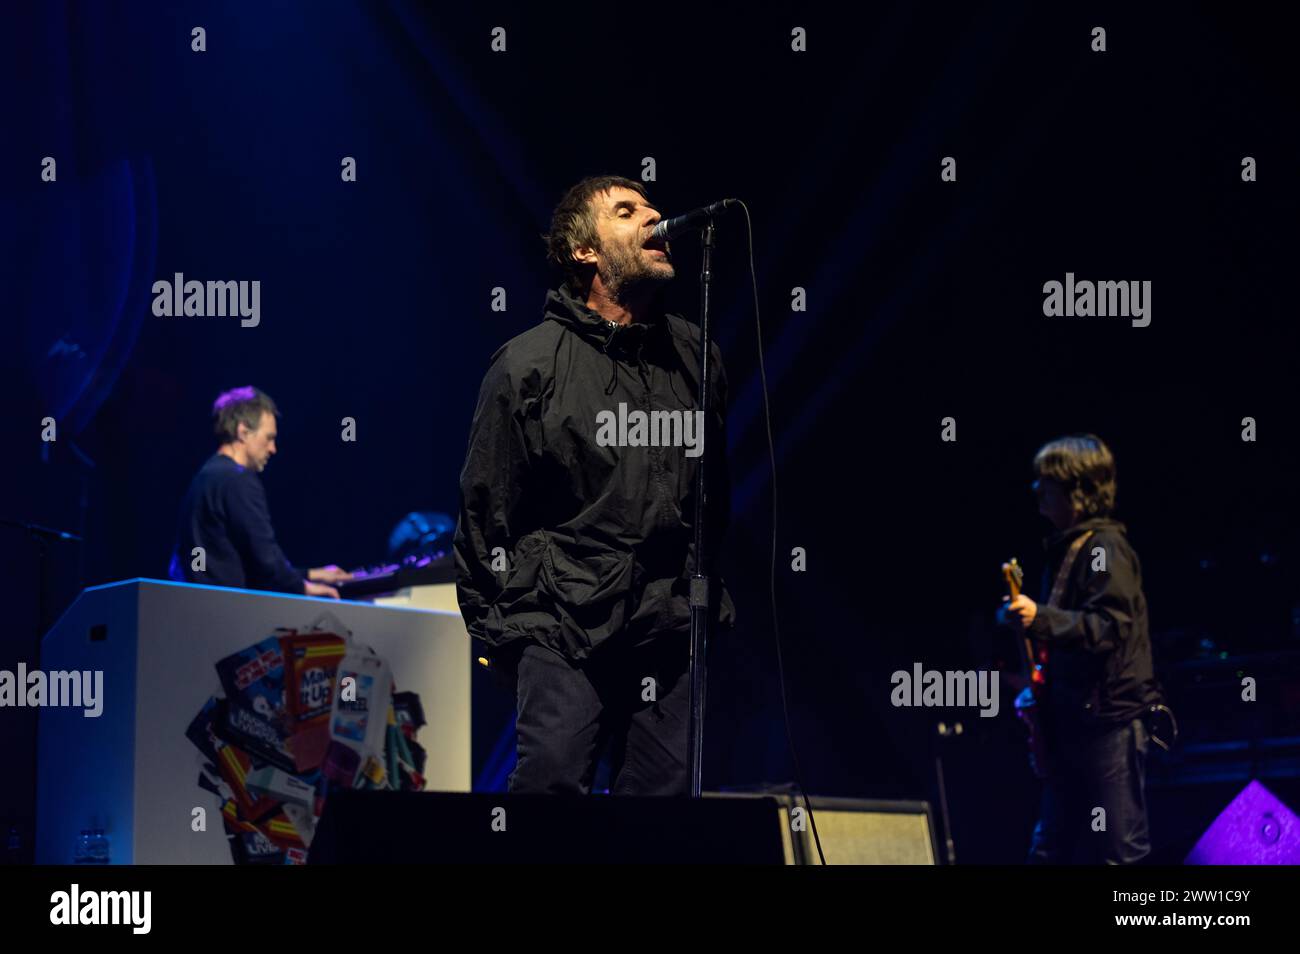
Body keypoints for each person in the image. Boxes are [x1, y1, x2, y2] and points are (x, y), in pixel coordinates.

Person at [453, 175, 735, 795]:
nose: (654, 219)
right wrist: (502, 634)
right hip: (560, 620)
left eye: (654, 209)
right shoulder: (526, 364)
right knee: (551, 784)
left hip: (666, 622)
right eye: (628, 211)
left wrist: (703, 600)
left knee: (664, 803)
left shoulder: (697, 356)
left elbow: (714, 496)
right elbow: (484, 511)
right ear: (586, 252)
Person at [999, 434, 1163, 864]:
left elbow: (1110, 628)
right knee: (1049, 851)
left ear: (1078, 489)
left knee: (1117, 852)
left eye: (1046, 481)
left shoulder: (1104, 549)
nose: (1037, 491)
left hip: (1108, 723)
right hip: (1075, 725)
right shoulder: (1071, 549)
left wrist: (1041, 618)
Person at [169, 386, 352, 598]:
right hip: (229, 616)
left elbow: (244, 560)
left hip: (202, 610)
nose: (273, 448)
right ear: (243, 432)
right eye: (269, 437)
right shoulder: (237, 480)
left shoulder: (206, 476)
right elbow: (265, 561)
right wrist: (304, 588)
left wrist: (309, 574)